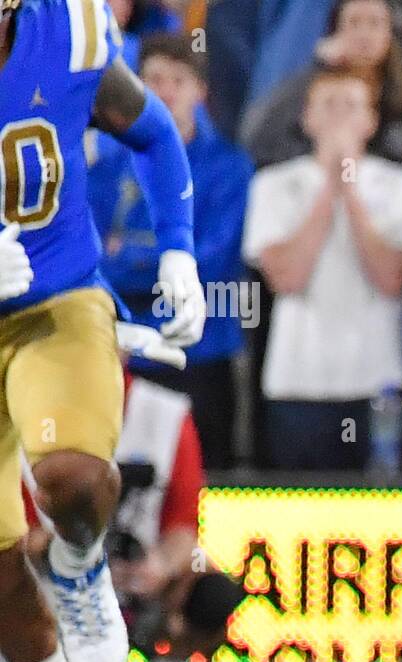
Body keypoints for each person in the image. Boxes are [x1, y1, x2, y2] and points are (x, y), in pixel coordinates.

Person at [0, 0, 205, 662]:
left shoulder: (73, 27)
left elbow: (152, 132)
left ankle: (83, 567)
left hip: (55, 305)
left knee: (73, 477)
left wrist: (178, 253)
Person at [242, 67, 402, 471]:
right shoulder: (271, 184)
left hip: (379, 380)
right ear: (307, 118)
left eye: (351, 105)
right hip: (296, 381)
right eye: (328, 105)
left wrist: (353, 193)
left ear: (371, 120)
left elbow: (391, 279)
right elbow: (287, 277)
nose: (340, 116)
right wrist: (330, 186)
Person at [89, 33, 254, 469]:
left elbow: (211, 262)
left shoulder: (230, 168)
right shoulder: (106, 170)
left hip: (202, 354)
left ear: (201, 90)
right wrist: (164, 259)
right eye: (154, 79)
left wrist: (129, 254)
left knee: (206, 484)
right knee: (123, 486)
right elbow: (89, 258)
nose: (164, 91)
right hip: (123, 354)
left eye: (178, 80)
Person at [23, 372, 244, 662]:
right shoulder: (22, 414)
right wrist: (67, 556)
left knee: (213, 591)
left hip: (142, 574)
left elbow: (184, 527)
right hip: (48, 579)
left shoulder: (165, 413)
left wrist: (161, 563)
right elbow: (15, 536)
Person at [240, 0, 402, 168]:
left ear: (391, 33)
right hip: (313, 184)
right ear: (336, 31)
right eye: (354, 23)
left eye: (375, 23)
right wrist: (315, 67)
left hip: (376, 189)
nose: (364, 34)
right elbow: (256, 139)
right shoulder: (314, 84)